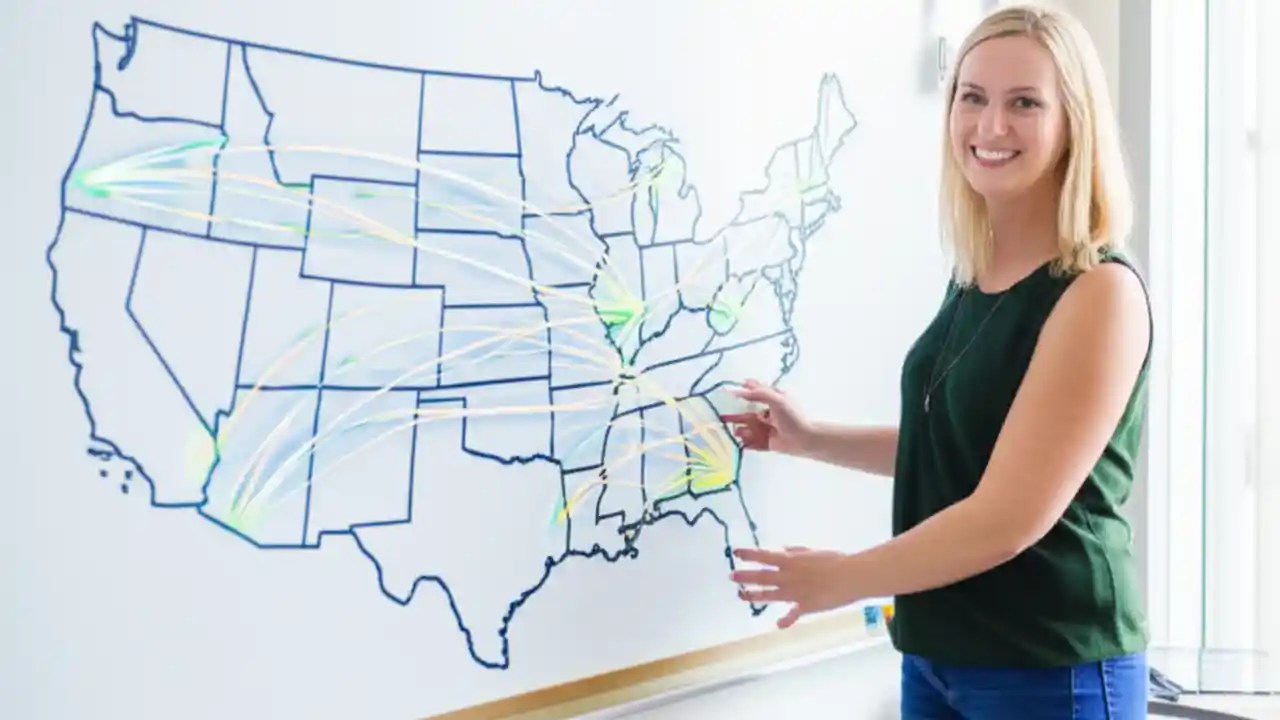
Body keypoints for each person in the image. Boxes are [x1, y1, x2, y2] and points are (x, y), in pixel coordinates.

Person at [722, 5, 1152, 718]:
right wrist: (811, 438)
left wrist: (843, 579)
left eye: (1025, 103)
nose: (990, 127)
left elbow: (1008, 514)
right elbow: (963, 452)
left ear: (1073, 122)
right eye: (972, 97)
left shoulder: (1098, 291)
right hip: (937, 657)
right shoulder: (974, 275)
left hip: (1053, 667)